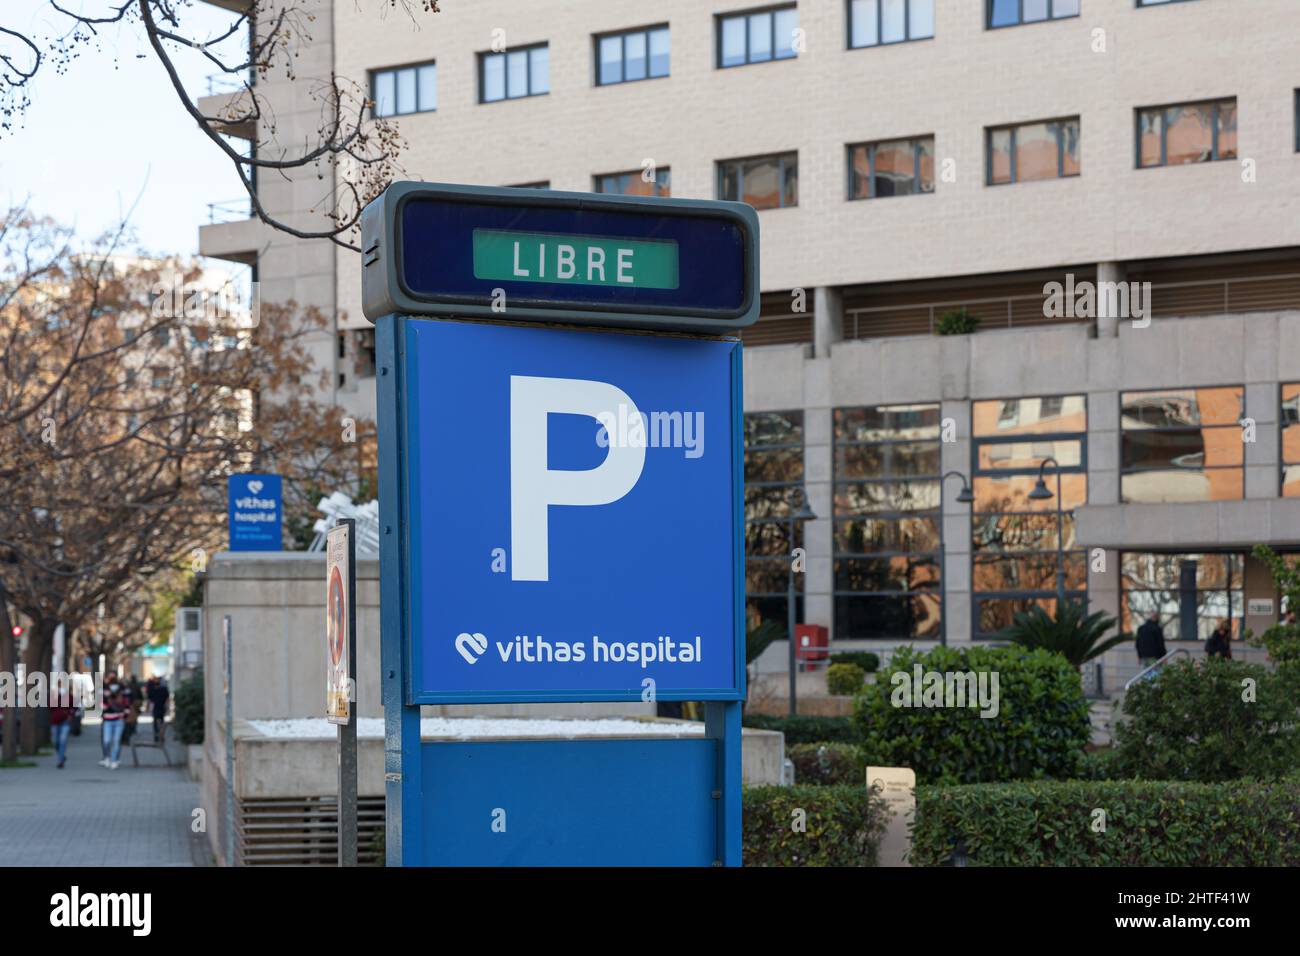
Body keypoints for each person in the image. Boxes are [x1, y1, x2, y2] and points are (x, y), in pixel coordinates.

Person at [100, 687, 127, 769]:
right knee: (106, 741)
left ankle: (114, 760)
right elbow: (103, 707)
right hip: (108, 721)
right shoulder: (105, 697)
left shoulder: (121, 697)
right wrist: (109, 700)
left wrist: (123, 715)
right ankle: (107, 757)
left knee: (116, 741)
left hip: (119, 722)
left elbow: (126, 708)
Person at [50, 698, 74, 768]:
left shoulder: (69, 696)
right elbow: (49, 706)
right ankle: (62, 755)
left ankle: (60, 761)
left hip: (65, 722)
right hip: (55, 722)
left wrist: (70, 714)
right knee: (55, 742)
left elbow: (74, 707)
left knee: (62, 741)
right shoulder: (53, 695)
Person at [147, 677, 170, 742]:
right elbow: (167, 699)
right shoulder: (164, 689)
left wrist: (147, 708)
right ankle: (160, 736)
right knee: (161, 722)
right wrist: (167, 706)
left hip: (156, 708)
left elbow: (149, 700)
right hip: (161, 708)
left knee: (156, 723)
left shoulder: (153, 690)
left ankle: (157, 736)